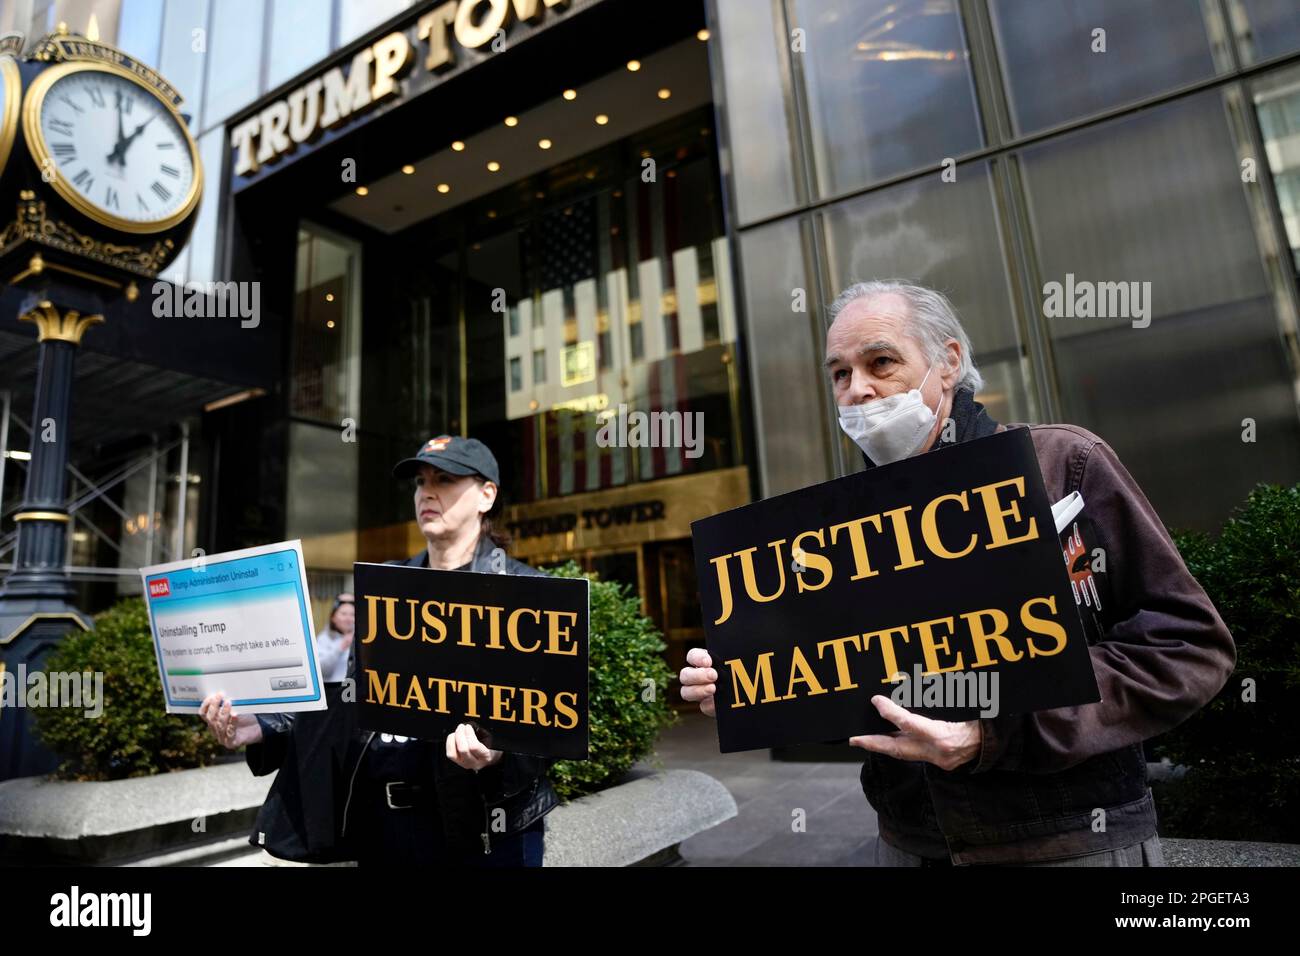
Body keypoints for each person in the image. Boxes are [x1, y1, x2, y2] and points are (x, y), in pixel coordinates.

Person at [680, 280, 1235, 866]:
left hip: (1066, 844)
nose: (858, 389)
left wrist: (992, 734)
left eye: (881, 361)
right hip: (908, 845)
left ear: (947, 362)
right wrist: (751, 687)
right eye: (840, 373)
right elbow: (860, 687)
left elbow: (1189, 647)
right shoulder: (838, 528)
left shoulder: (1062, 464)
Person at [199, 435, 558, 866]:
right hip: (384, 827)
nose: (426, 492)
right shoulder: (386, 584)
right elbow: (353, 701)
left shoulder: (525, 592)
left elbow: (551, 721)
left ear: (487, 495)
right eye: (420, 482)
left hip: (482, 830)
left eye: (445, 480)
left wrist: (499, 752)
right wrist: (264, 726)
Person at [315, 593, 354, 683]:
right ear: (333, 617)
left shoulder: (363, 639)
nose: (348, 618)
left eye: (352, 614)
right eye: (344, 614)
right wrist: (341, 647)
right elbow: (320, 670)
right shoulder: (323, 638)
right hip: (332, 689)